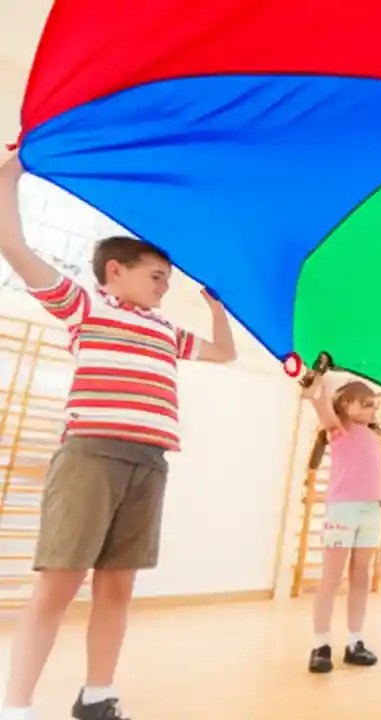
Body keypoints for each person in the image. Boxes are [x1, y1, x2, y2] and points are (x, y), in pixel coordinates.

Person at [0, 153, 237, 720]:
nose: (163, 288)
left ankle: (98, 694)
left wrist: (216, 308)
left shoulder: (164, 330)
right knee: (58, 585)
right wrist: (10, 175)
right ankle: (17, 705)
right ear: (116, 272)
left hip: (149, 463)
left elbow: (224, 353)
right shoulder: (85, 307)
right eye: (157, 277)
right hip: (91, 456)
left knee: (117, 587)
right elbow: (14, 246)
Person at [303, 378, 381, 673]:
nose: (373, 409)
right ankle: (321, 645)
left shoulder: (380, 436)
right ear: (347, 405)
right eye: (366, 403)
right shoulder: (339, 430)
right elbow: (321, 403)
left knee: (361, 577)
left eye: (374, 404)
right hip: (343, 511)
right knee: (331, 578)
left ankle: (355, 642)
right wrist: (319, 380)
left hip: (372, 511)